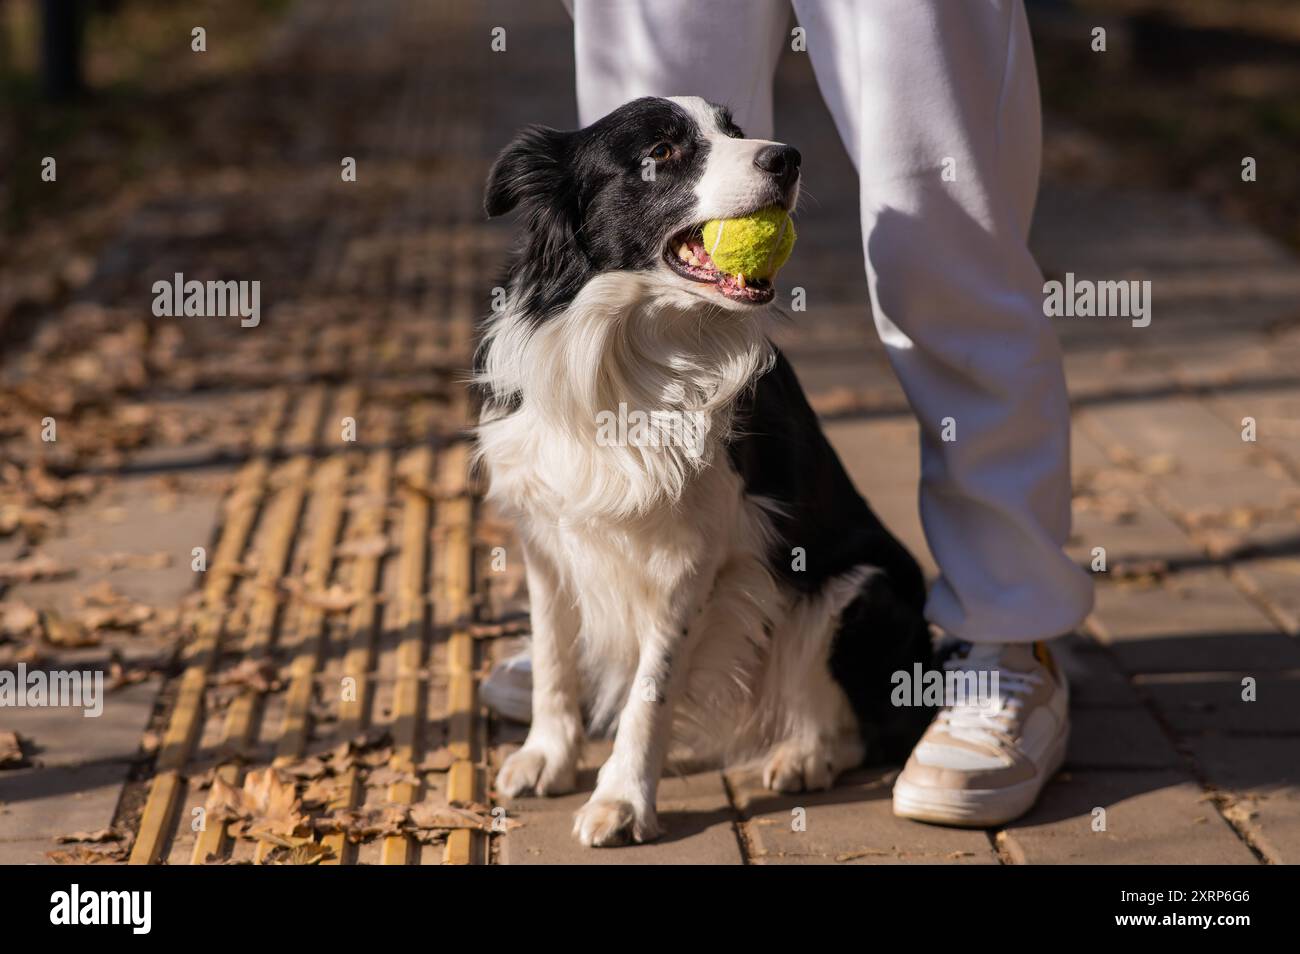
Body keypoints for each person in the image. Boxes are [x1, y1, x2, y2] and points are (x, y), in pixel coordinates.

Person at [483, 0, 1094, 827]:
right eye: (672, 154)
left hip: (817, 599)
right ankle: (594, 660)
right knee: (648, 81)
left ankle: (1009, 635)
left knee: (943, 218)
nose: (767, 157)